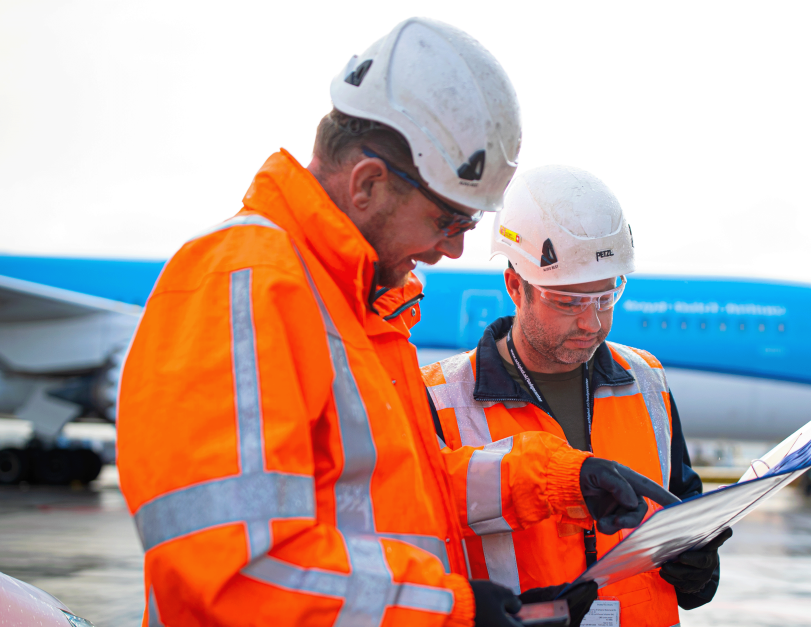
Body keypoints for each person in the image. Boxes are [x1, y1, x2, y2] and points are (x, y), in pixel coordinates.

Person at [117, 19, 666, 626]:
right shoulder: (244, 289)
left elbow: (412, 489)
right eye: (448, 221)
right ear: (368, 185)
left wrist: (564, 480)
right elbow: (240, 574)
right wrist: (451, 614)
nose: (454, 251)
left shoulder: (356, 309)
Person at [422, 166, 733, 627]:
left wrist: (697, 575)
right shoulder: (441, 399)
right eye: (568, 302)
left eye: (606, 298)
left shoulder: (647, 381)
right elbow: (413, 560)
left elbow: (682, 507)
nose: (592, 323)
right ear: (515, 287)